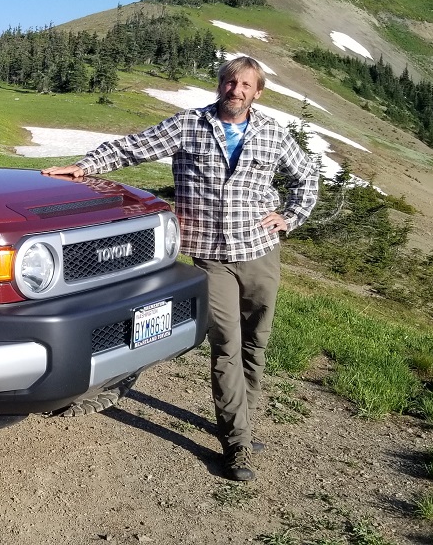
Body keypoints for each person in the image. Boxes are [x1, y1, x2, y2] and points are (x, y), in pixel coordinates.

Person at [42, 56, 319, 481]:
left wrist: (291, 216)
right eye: (229, 82)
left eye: (245, 85)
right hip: (210, 255)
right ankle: (238, 443)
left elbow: (307, 177)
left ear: (257, 92)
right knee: (226, 342)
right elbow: (132, 147)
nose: (236, 91)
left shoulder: (273, 134)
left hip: (260, 252)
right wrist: (85, 167)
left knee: (255, 343)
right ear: (219, 85)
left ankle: (242, 420)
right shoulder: (190, 124)